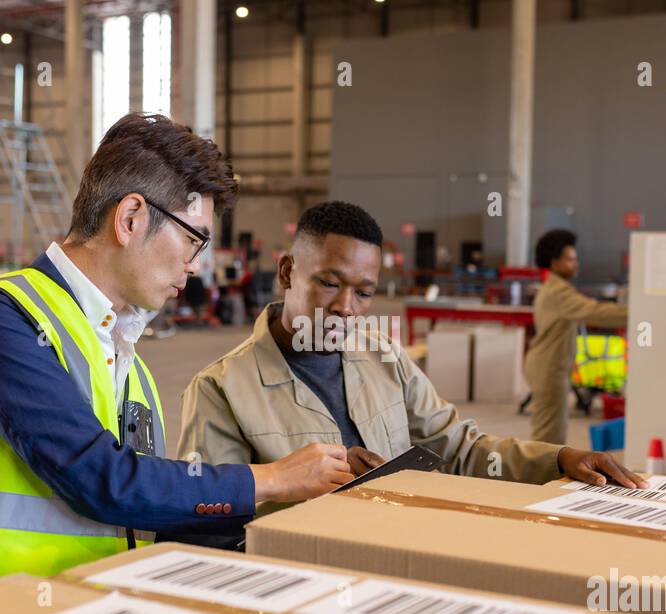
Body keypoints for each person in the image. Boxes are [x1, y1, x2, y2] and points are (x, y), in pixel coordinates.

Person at [0, 114, 351, 604]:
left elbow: (142, 504)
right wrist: (270, 479)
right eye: (194, 239)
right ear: (130, 219)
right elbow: (101, 480)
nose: (197, 264)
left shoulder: (126, 360)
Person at [178, 201, 642, 544]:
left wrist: (558, 459)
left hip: (400, 556)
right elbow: (208, 533)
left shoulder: (385, 358)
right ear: (287, 271)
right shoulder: (222, 390)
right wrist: (317, 495)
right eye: (329, 283)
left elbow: (461, 448)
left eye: (363, 293)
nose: (345, 308)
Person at [524, 229, 628, 445]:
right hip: (548, 368)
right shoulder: (557, 291)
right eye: (570, 259)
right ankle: (540, 477)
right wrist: (641, 311)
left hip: (550, 366)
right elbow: (593, 311)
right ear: (554, 262)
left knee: (553, 432)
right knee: (548, 437)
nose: (576, 264)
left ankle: (545, 473)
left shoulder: (556, 287)